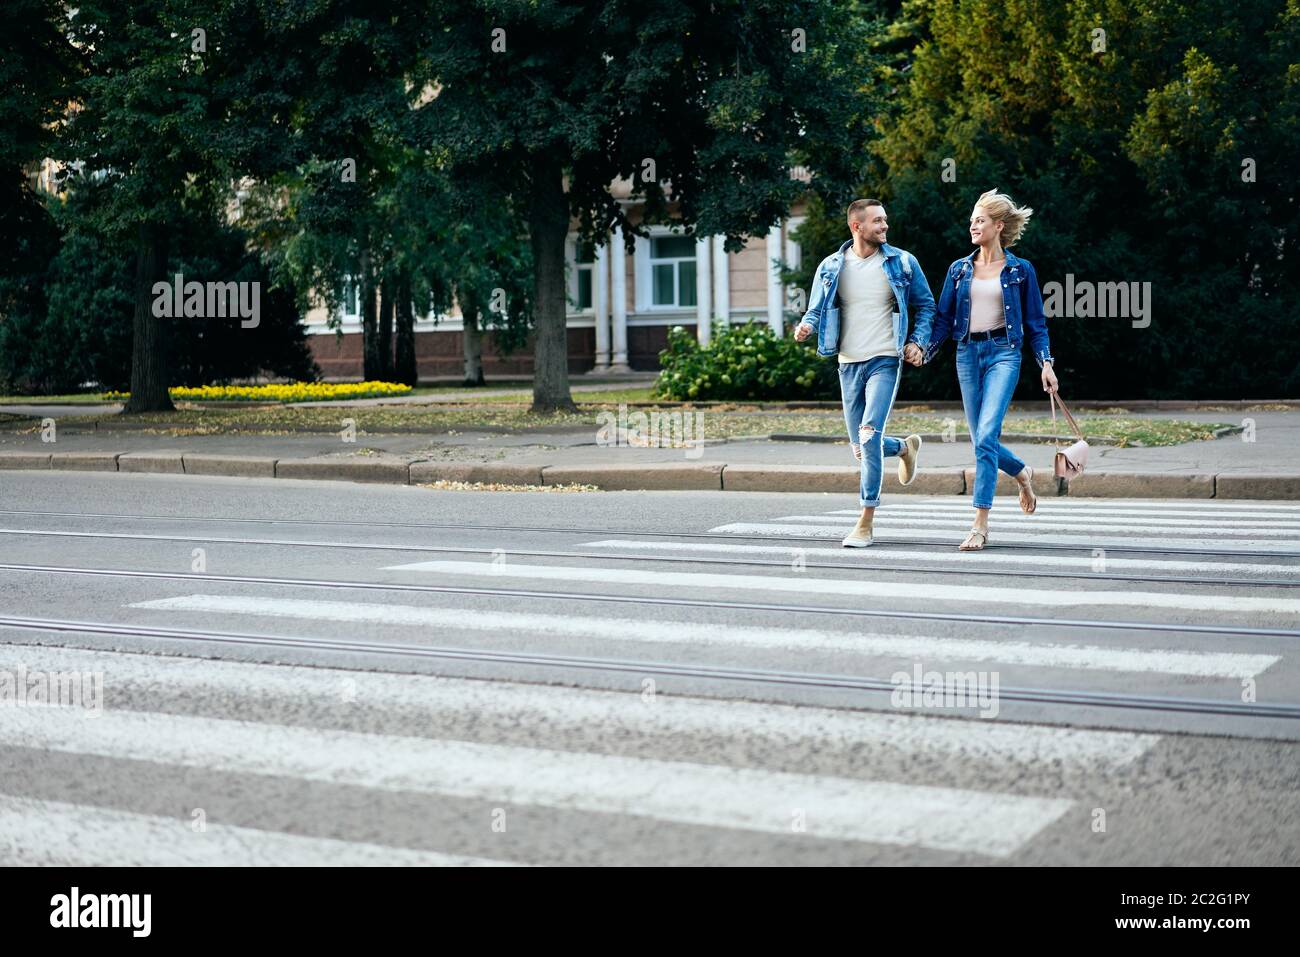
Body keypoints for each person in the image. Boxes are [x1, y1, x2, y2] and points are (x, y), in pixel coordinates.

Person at [904, 189, 1059, 551]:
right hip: (967, 355)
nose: (973, 226)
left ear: (998, 226)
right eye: (972, 220)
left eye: (980, 220)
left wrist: (1045, 363)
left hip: (1005, 353)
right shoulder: (959, 269)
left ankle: (980, 522)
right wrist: (925, 350)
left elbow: (1036, 322)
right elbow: (942, 319)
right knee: (981, 441)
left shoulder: (1021, 270)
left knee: (986, 435)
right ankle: (1022, 473)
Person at [795, 198, 936, 547]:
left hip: (885, 359)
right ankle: (904, 448)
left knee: (869, 436)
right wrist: (806, 326)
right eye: (877, 221)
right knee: (860, 447)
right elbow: (816, 309)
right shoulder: (831, 266)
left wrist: (917, 342)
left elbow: (926, 306)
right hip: (847, 362)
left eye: (885, 220)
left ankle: (865, 520)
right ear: (856, 226)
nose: (885, 226)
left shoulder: (902, 262)